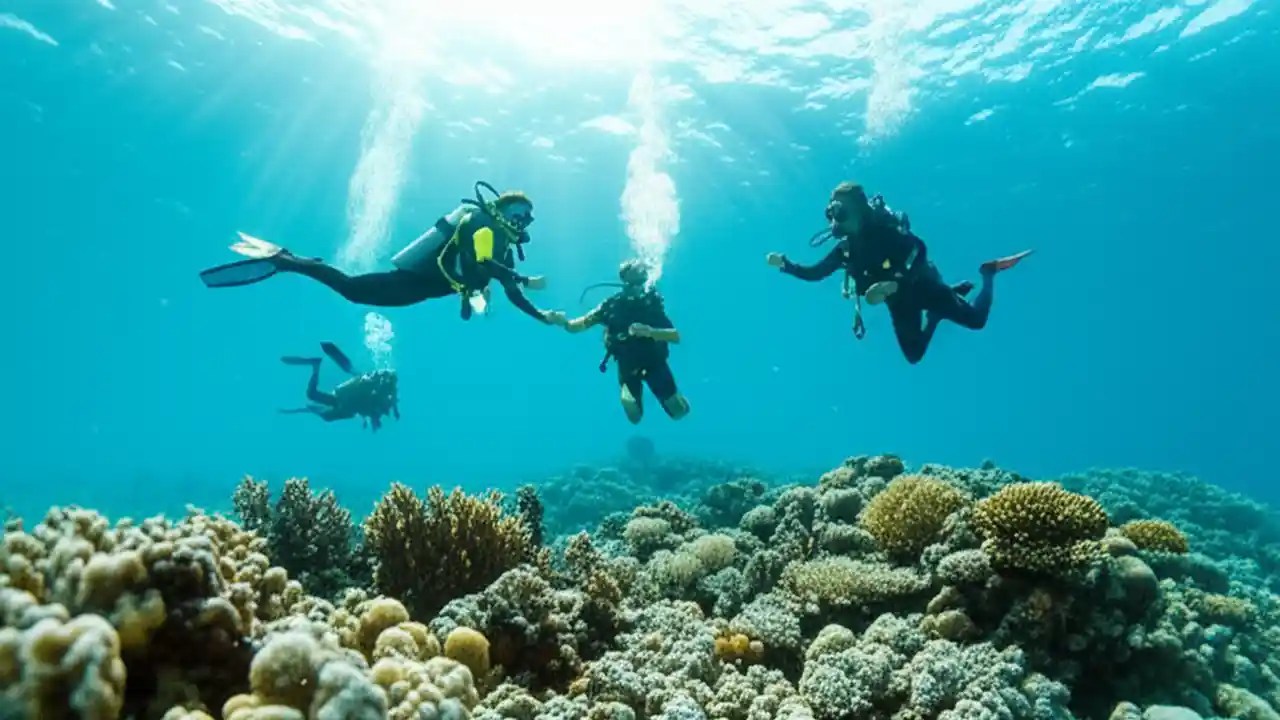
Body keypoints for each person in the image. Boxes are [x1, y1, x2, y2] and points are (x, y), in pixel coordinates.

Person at [199, 181, 568, 326]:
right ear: (501, 211)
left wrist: (539, 315)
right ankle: (288, 261)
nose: (523, 222)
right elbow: (480, 264)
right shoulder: (483, 227)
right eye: (518, 214)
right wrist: (513, 278)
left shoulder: (501, 242)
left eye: (528, 218)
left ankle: (298, 262)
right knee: (353, 291)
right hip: (414, 282)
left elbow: (500, 283)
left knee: (355, 291)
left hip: (422, 289)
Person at [766, 181, 1032, 363]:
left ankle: (987, 273)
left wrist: (899, 280)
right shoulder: (845, 250)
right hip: (899, 302)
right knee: (914, 355)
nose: (835, 220)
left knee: (976, 321)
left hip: (924, 287)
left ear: (859, 209)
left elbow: (920, 249)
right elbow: (816, 273)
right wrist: (787, 265)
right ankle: (937, 317)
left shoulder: (887, 232)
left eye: (841, 212)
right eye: (831, 213)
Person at [563, 260, 691, 424]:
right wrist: (565, 323)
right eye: (631, 283)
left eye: (639, 282)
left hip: (654, 362)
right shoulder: (611, 305)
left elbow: (675, 336)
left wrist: (651, 332)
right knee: (634, 417)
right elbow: (582, 324)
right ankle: (628, 393)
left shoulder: (651, 305)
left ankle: (677, 400)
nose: (635, 287)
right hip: (627, 363)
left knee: (679, 413)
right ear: (623, 282)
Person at [278, 341, 401, 432]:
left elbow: (320, 410)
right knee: (353, 373)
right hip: (350, 397)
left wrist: (299, 410)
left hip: (347, 399)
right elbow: (386, 400)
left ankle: (316, 366)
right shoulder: (377, 402)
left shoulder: (352, 410)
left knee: (314, 397)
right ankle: (316, 366)